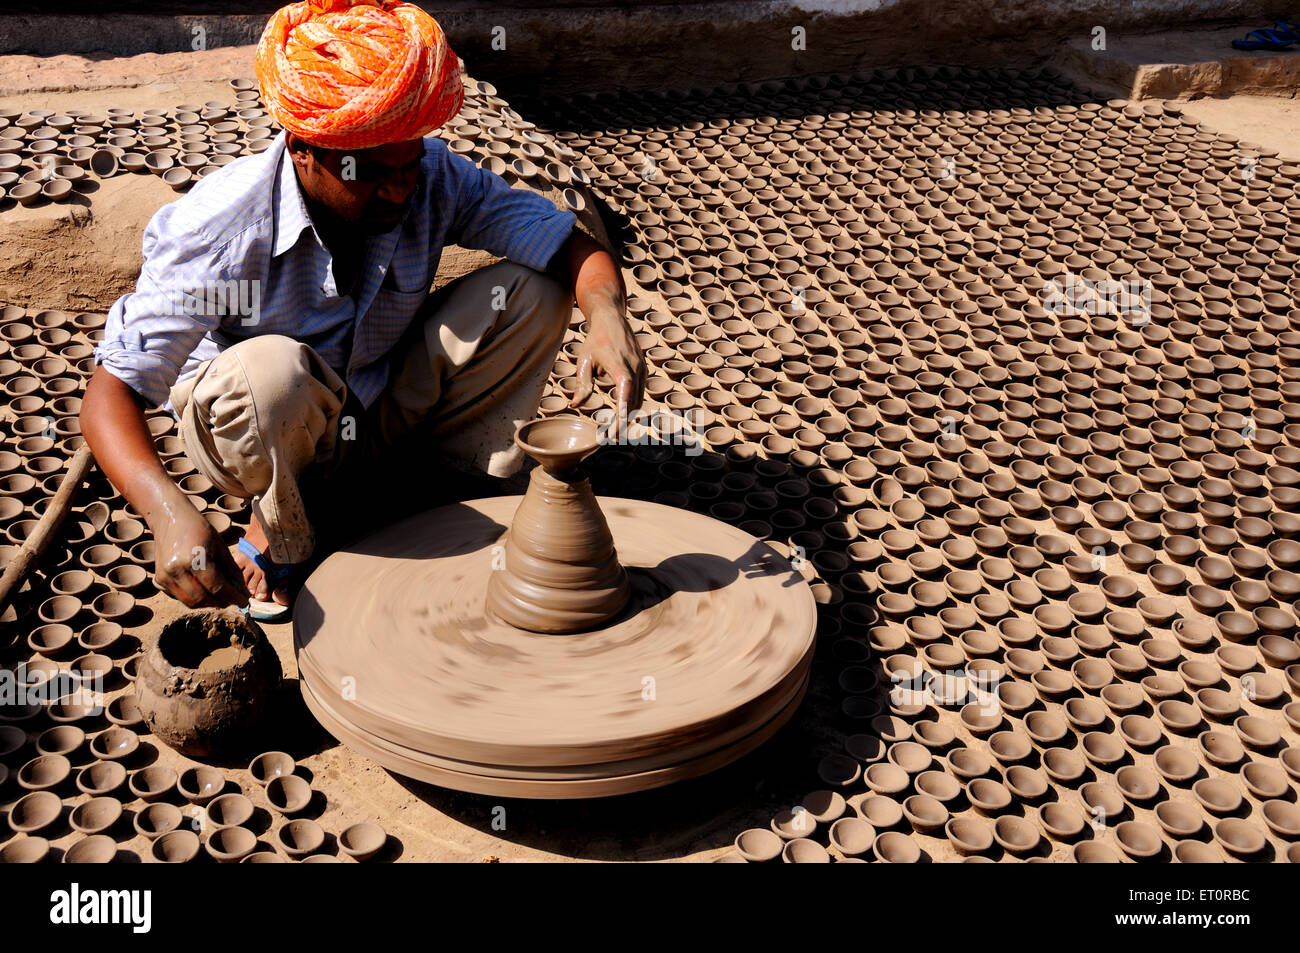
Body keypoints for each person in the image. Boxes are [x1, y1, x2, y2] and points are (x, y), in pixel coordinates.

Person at [80, 0, 645, 621]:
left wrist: (609, 315)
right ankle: (285, 535)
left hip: (378, 407)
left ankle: (446, 491)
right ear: (304, 150)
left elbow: (567, 244)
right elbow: (111, 393)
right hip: (276, 430)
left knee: (533, 288)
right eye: (371, 173)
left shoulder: (425, 175)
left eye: (409, 164)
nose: (400, 189)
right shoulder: (223, 229)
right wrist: (168, 513)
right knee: (268, 376)